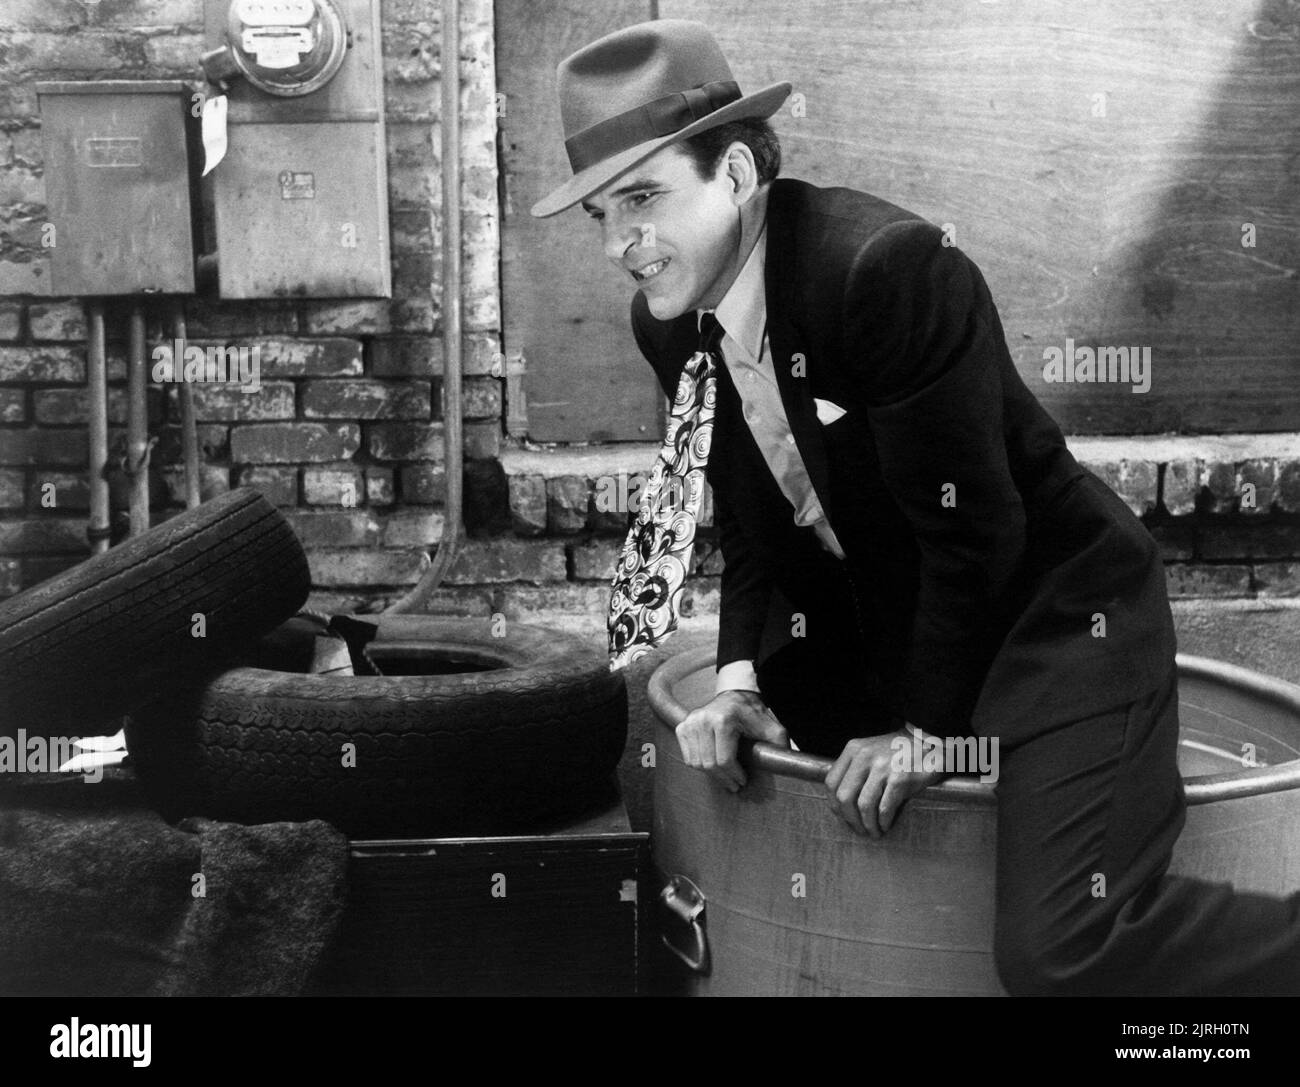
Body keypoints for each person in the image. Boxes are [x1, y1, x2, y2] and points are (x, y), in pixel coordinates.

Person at [531, 18, 1300, 995]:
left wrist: (928, 732)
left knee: (1060, 950)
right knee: (777, 790)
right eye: (600, 213)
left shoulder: (883, 269)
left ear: (731, 173)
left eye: (641, 199)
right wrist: (737, 680)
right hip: (889, 620)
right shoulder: (670, 320)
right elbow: (752, 517)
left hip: (1051, 613)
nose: (618, 245)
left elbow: (975, 531)